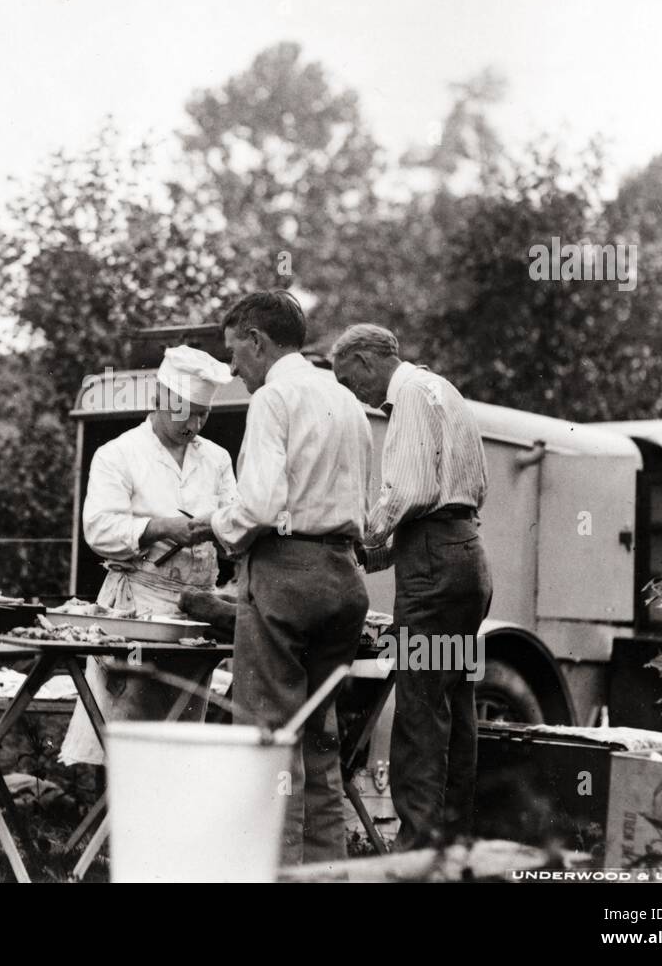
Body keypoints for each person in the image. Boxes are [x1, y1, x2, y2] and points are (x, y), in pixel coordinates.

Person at [200, 291, 374, 865]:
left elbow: (258, 505)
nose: (231, 369)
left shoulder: (274, 397)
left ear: (257, 340)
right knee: (320, 740)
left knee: (270, 740)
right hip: (344, 576)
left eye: (233, 352)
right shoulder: (346, 400)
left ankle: (274, 872)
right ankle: (326, 873)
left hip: (286, 573)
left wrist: (214, 525)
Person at [330, 323, 491, 850]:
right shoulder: (443, 389)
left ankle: (417, 849)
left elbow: (411, 491)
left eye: (350, 381)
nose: (356, 396)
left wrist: (356, 532)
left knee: (420, 712)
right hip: (463, 556)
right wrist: (366, 554)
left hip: (433, 572)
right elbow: (449, 496)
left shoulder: (410, 399)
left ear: (366, 360)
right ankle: (452, 842)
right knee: (454, 707)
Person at [59, 345, 238, 766]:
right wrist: (158, 527)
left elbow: (237, 517)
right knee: (126, 721)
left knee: (181, 721)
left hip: (196, 609)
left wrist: (220, 528)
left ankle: (166, 817)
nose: (193, 425)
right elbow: (98, 529)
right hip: (139, 605)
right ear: (158, 400)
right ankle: (115, 822)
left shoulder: (216, 458)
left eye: (203, 415)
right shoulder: (119, 454)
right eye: (185, 413)